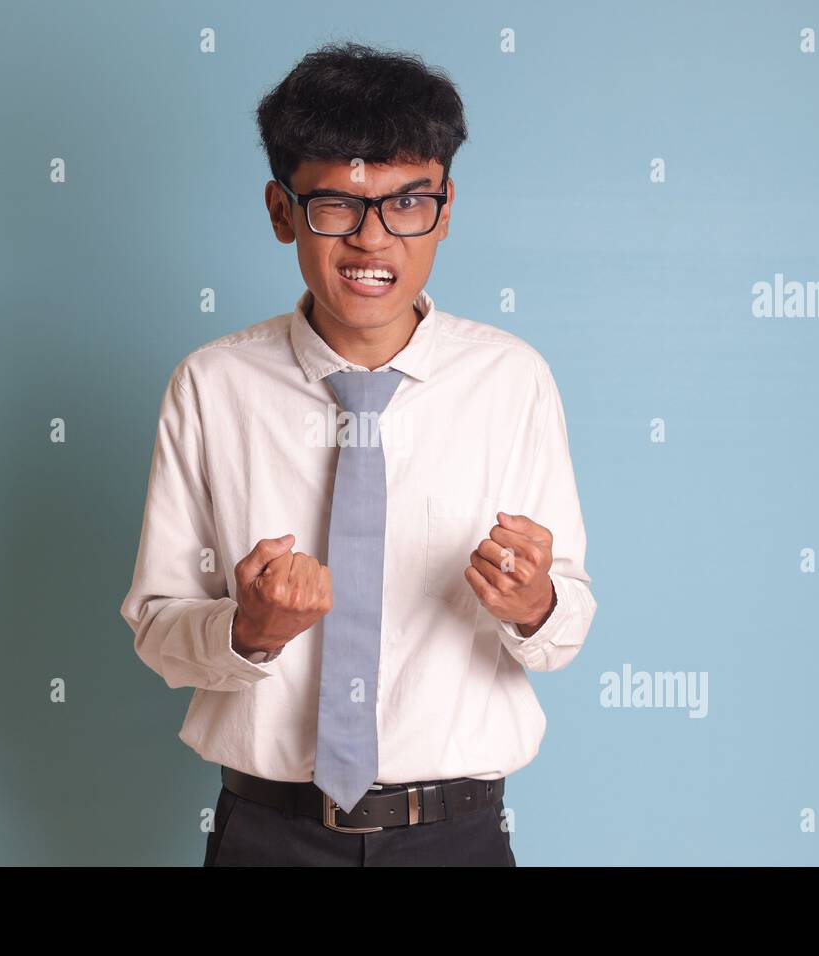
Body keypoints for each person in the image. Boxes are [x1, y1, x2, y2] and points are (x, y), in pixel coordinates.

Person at [120, 41, 597, 866]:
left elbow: (568, 626)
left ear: (445, 210)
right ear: (281, 211)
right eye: (336, 204)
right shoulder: (211, 386)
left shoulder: (510, 380)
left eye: (407, 201)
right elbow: (158, 631)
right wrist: (249, 631)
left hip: (459, 837)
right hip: (268, 837)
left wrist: (534, 606)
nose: (372, 240)